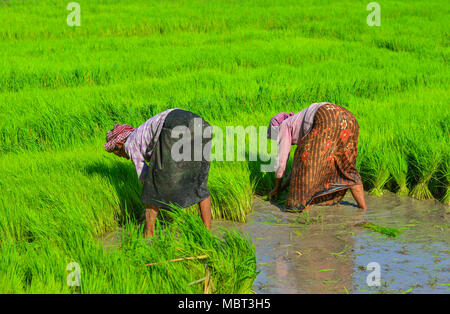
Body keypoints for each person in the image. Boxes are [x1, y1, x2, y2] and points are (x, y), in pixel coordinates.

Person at [105, 108, 212, 238]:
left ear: (120, 143)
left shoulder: (129, 143)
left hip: (174, 125)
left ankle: (148, 234)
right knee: (199, 183)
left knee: (152, 187)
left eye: (117, 152)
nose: (122, 156)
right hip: (200, 124)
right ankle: (207, 233)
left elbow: (144, 177)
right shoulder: (142, 132)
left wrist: (151, 195)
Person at [267, 102, 367, 212]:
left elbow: (281, 161)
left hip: (326, 117)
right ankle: (363, 210)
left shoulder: (284, 126)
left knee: (308, 170)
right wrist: (282, 188)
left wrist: (276, 189)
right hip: (349, 118)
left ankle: (303, 216)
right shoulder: (299, 124)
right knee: (347, 168)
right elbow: (296, 168)